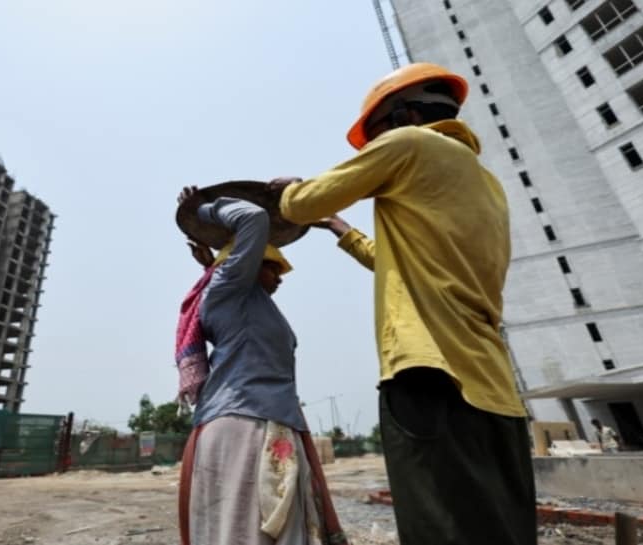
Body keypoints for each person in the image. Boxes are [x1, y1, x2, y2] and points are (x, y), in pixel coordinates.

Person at [271, 63, 536, 544]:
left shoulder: (408, 144)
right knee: (499, 527)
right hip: (494, 389)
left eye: (373, 137)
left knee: (437, 526)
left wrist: (289, 191)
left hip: (430, 374)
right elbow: (398, 260)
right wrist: (342, 229)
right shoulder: (483, 183)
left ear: (405, 115)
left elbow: (299, 206)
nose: (373, 149)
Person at [174, 187, 347, 545]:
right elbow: (253, 218)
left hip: (272, 421)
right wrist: (202, 210)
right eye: (272, 267)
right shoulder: (229, 288)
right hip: (244, 426)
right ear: (248, 264)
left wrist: (212, 263)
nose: (281, 277)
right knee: (248, 532)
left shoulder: (244, 298)